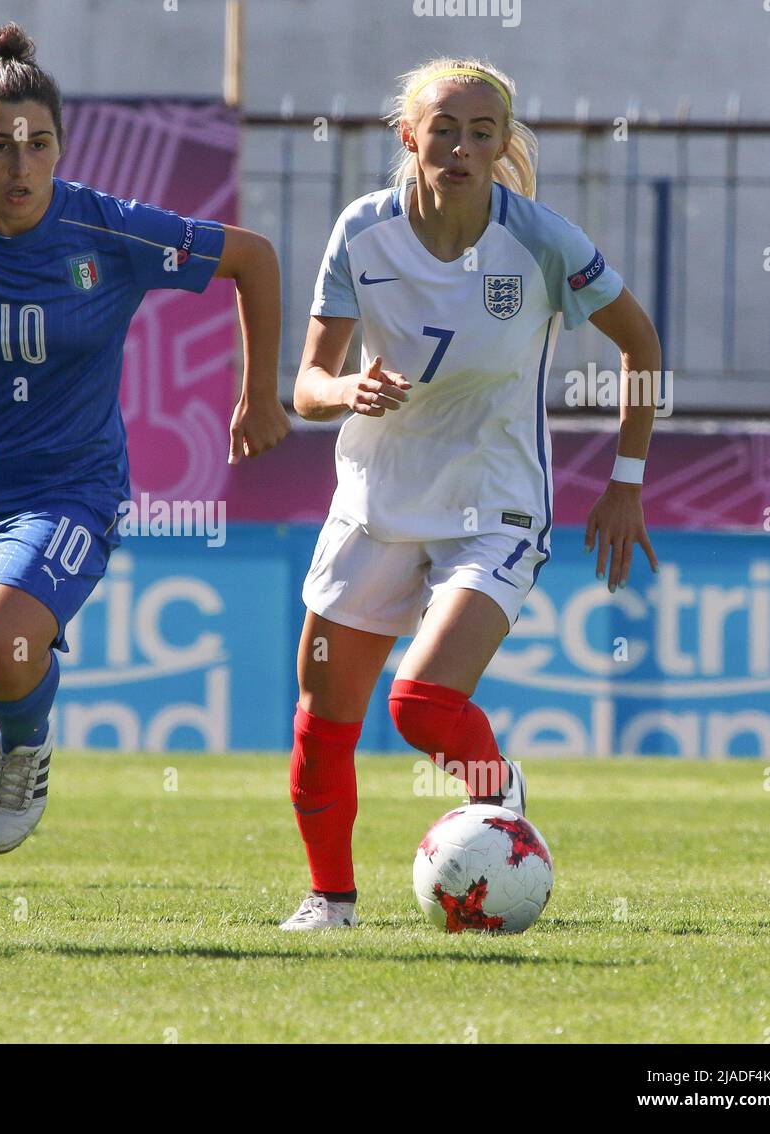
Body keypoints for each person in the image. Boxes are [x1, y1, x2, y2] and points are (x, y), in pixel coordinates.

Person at [0, 23, 290, 865]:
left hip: (68, 488)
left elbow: (252, 257)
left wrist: (257, 396)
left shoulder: (109, 230)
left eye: (39, 144)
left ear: (61, 149)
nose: (21, 164)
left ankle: (25, 742)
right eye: (0, 146)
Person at [280, 58, 660, 931]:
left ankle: (499, 793)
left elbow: (639, 342)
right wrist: (348, 392)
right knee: (321, 719)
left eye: (480, 132)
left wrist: (625, 484)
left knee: (420, 706)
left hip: (495, 508)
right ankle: (330, 902)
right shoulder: (361, 232)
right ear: (408, 136)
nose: (459, 146)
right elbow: (305, 385)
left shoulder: (541, 240)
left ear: (502, 144)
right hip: (375, 501)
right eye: (442, 128)